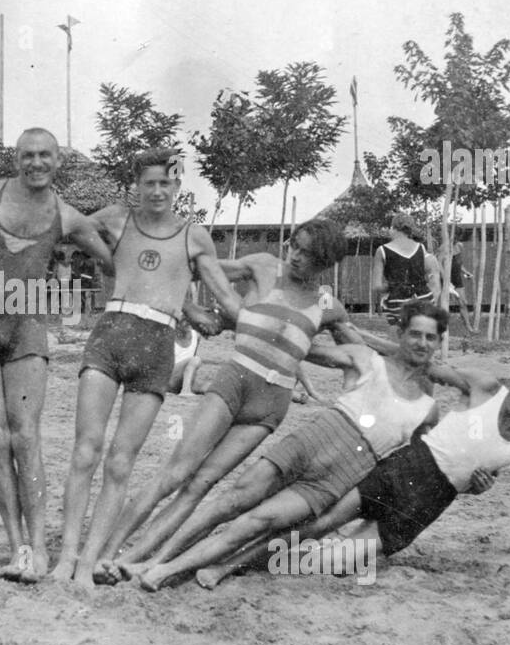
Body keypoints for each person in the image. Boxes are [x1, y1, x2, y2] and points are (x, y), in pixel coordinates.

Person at [94, 219, 362, 580]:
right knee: (174, 473)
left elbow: (360, 353)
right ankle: (106, 552)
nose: (296, 256)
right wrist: (187, 306)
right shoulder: (265, 266)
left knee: (201, 484)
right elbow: (196, 268)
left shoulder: (330, 306)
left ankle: (130, 561)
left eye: (308, 254)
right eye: (294, 246)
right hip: (234, 381)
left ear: (326, 262)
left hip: (271, 406)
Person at [125, 300, 448, 591]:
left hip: (342, 474)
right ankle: (152, 561)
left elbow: (419, 461)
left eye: (430, 337)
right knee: (231, 502)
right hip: (314, 438)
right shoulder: (366, 358)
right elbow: (303, 349)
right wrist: (323, 318)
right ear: (401, 333)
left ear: (438, 342)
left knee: (256, 523)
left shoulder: (428, 409)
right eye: (415, 334)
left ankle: (168, 569)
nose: (421, 343)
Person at [194, 356, 510, 588]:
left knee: (329, 563)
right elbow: (427, 367)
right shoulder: (487, 388)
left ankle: (265, 558)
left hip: (428, 502)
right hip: (404, 466)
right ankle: (226, 564)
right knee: (314, 525)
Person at [0, 127, 114, 582]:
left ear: (57, 162)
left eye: (44, 155)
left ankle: (40, 546)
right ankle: (18, 550)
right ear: (16, 160)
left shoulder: (67, 218)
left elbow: (113, 262)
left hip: (24, 327)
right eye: (28, 155)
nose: (36, 163)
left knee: (25, 437)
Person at [53, 148, 233, 587]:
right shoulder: (116, 219)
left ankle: (89, 562)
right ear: (136, 185)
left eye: (166, 183)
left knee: (120, 463)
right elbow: (62, 228)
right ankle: (65, 556)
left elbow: (227, 299)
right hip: (110, 334)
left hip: (156, 348)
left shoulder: (195, 237)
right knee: (84, 451)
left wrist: (199, 308)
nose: (157, 190)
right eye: (148, 182)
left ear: (177, 186)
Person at [372, 213, 438, 324]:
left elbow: (377, 286)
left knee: (402, 337)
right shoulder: (421, 247)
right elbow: (428, 272)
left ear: (393, 229)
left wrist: (391, 287)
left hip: (398, 304)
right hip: (425, 299)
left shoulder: (382, 250)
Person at [446, 239, 476, 332]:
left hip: (457, 280)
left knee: (463, 303)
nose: (461, 246)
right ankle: (442, 327)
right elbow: (440, 265)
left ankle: (468, 326)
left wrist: (467, 273)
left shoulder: (459, 249)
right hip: (445, 280)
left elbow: (459, 265)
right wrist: (446, 281)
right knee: (443, 304)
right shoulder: (445, 250)